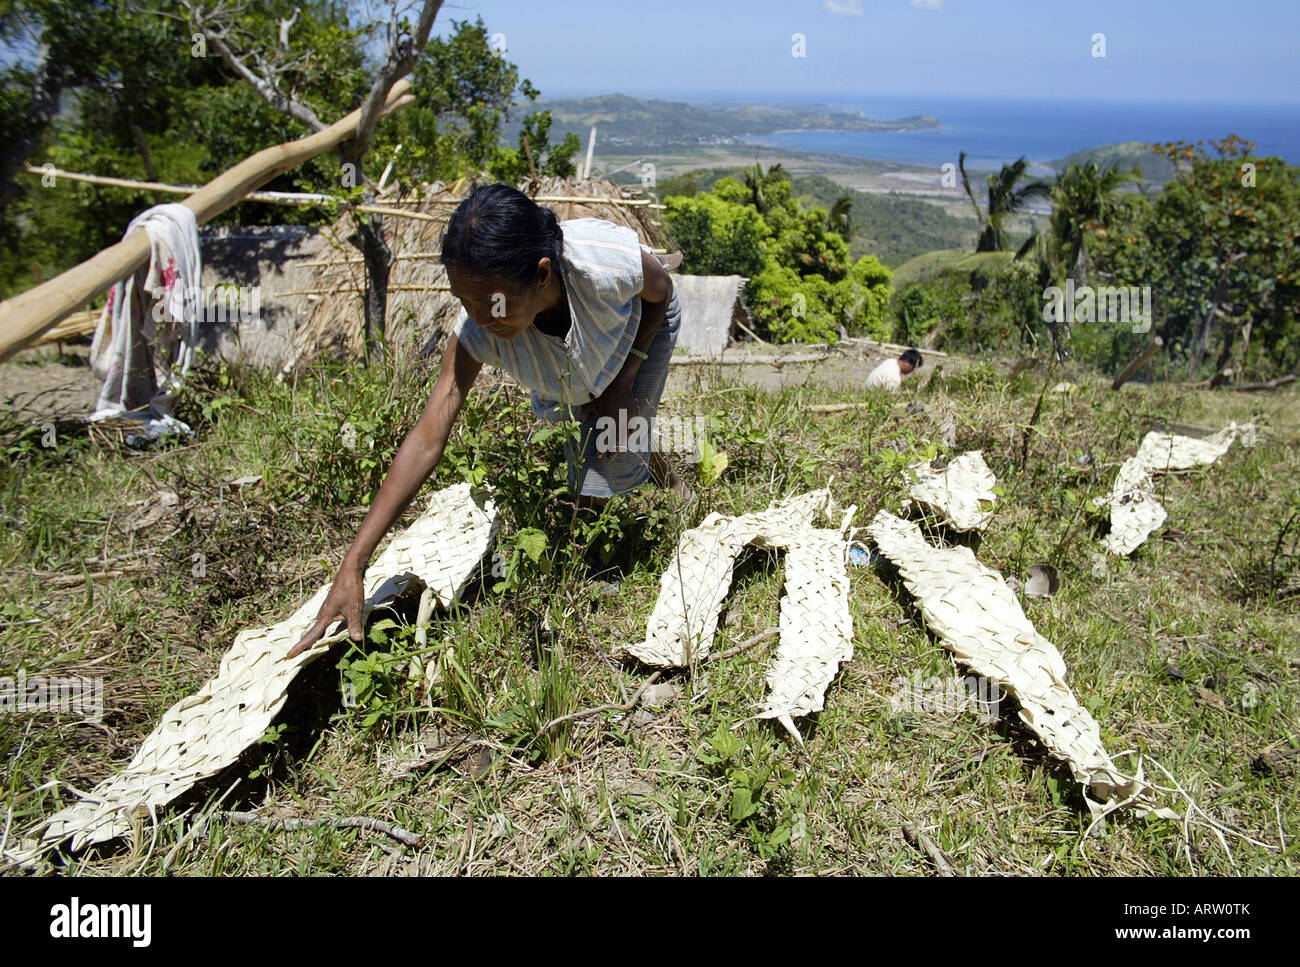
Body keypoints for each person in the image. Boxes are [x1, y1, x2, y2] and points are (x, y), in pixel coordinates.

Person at [288, 184, 683, 657]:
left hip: (636, 330)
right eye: (464, 301)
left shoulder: (603, 264)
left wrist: (624, 381)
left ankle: (591, 553)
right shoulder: (479, 326)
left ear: (541, 276)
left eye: (491, 303)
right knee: (607, 417)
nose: (477, 318)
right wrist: (354, 563)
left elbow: (661, 292)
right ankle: (646, 448)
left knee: (603, 447)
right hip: (579, 366)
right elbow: (429, 435)